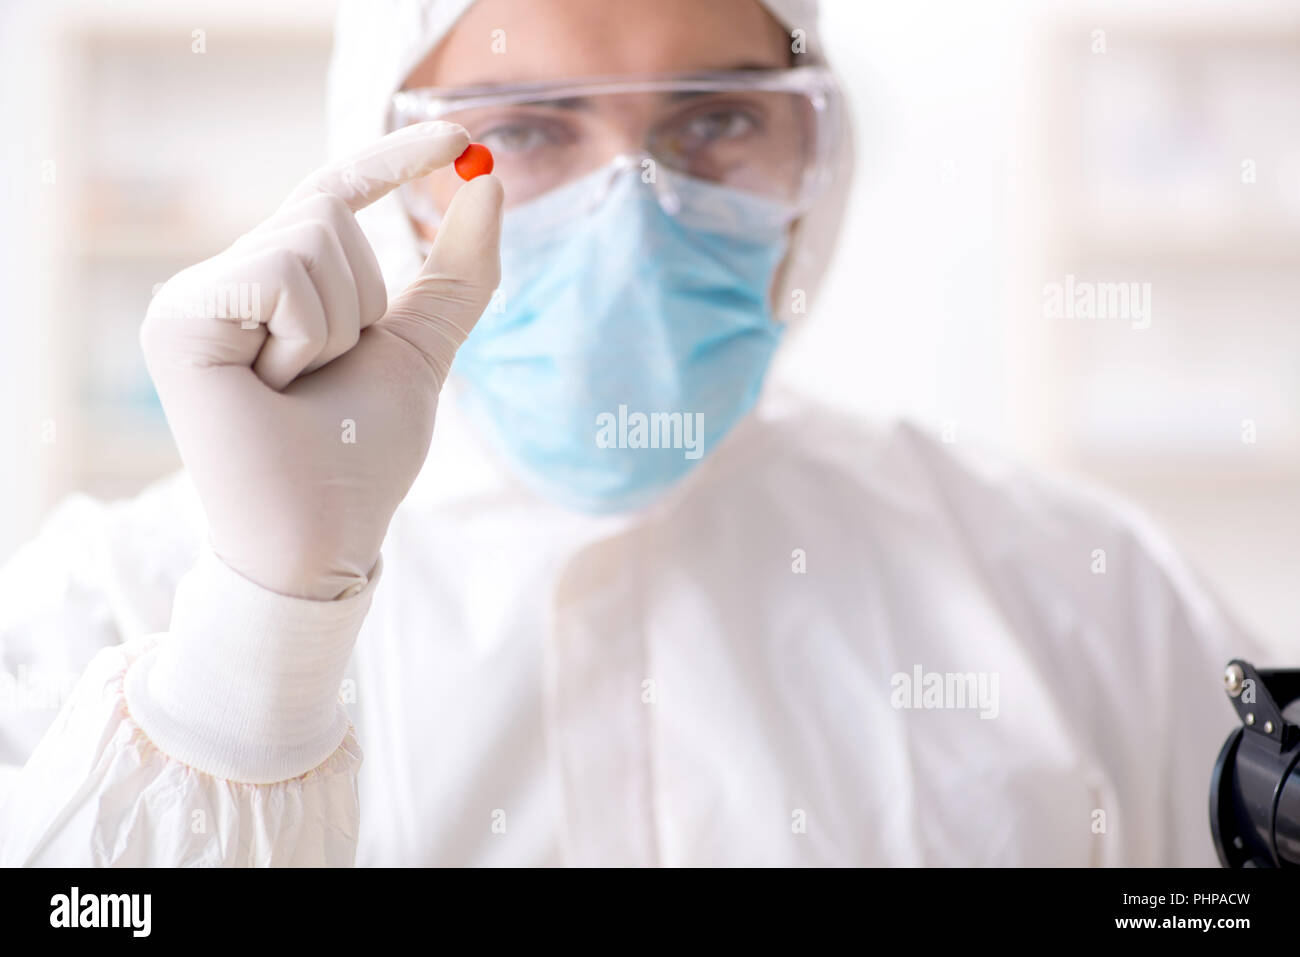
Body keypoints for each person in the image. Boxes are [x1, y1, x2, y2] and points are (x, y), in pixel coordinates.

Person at [0, 0, 1267, 866]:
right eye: (522, 132)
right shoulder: (110, 610)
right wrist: (260, 634)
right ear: (377, 163)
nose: (632, 212)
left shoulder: (1075, 590)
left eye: (715, 122)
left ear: (816, 152)